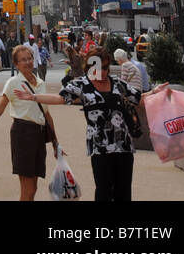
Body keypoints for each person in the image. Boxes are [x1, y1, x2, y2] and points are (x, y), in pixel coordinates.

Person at [19, 48, 142, 202]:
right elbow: (59, 98)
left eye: (105, 67)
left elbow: (138, 98)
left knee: (123, 191)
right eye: (99, 67)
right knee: (103, 190)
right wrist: (34, 97)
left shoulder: (116, 82)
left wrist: (159, 93)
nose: (103, 72)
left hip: (123, 145)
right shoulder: (81, 84)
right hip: (100, 147)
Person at [0, 44, 58, 201]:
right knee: (27, 188)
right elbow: (0, 107)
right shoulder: (13, 82)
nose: (27, 62)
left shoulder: (40, 83)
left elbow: (47, 114)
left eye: (29, 58)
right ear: (16, 64)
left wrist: (56, 142)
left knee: (34, 187)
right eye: (23, 60)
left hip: (39, 135)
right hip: (23, 134)